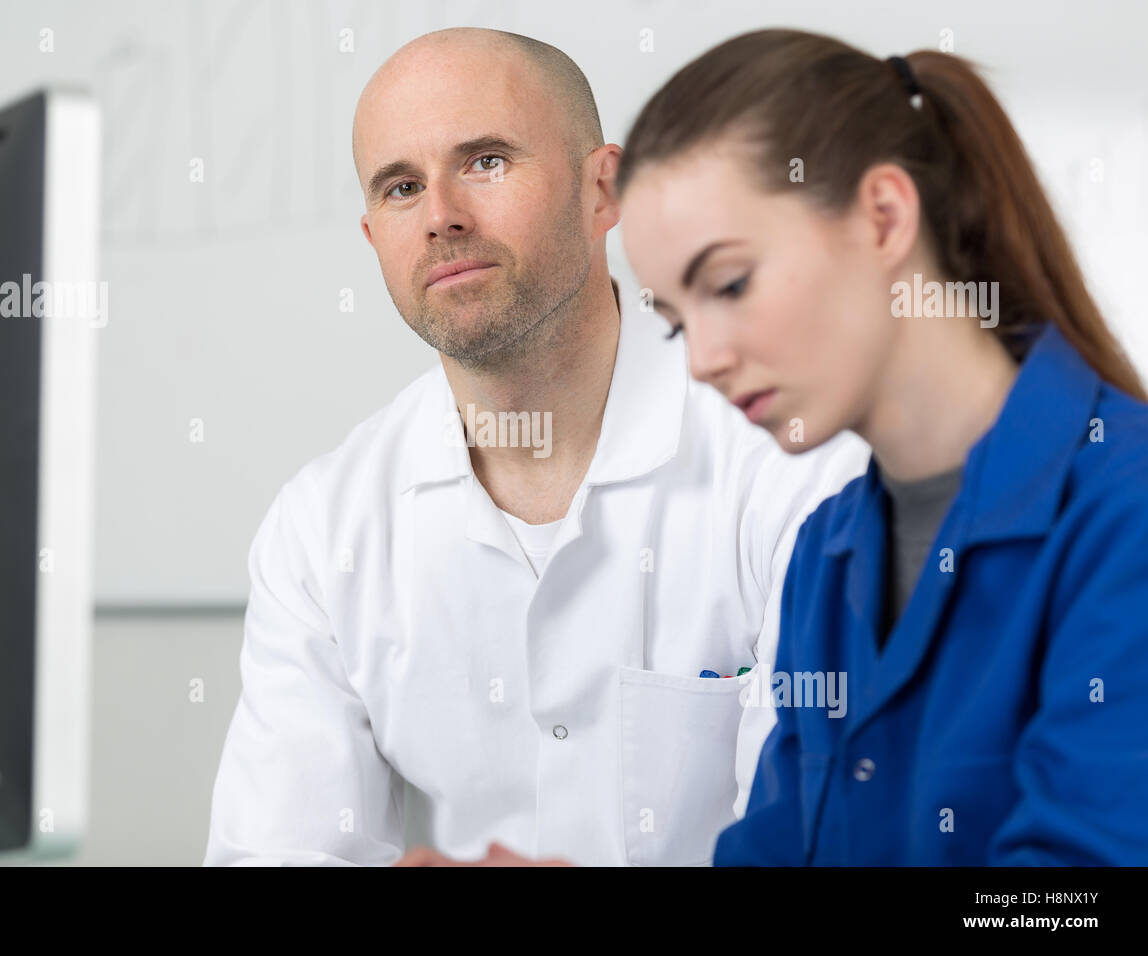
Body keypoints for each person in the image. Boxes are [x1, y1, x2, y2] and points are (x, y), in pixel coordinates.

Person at [203, 27, 868, 866]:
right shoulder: (321, 530)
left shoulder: (793, 461)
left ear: (603, 190)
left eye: (485, 161)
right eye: (402, 186)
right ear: (375, 239)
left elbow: (832, 844)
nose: (442, 216)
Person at [615, 27, 1148, 865]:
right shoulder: (826, 556)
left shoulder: (1126, 513)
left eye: (729, 285)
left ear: (885, 215)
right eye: (678, 321)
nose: (704, 359)